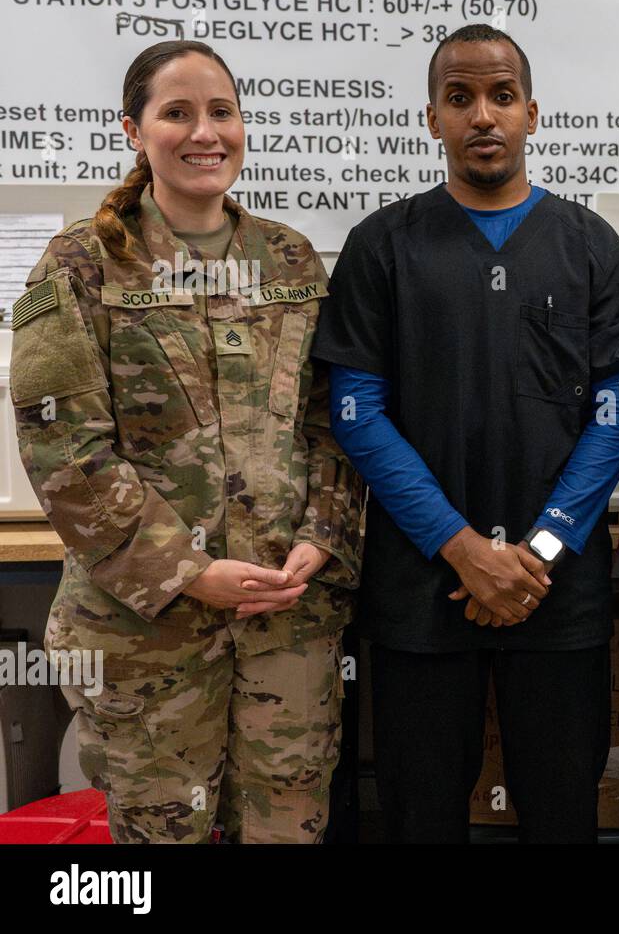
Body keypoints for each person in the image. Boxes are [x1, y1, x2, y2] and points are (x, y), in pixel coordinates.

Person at [9, 41, 364, 843]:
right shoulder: (82, 263)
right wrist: (191, 572)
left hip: (288, 627)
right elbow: (66, 451)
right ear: (134, 129)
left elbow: (330, 425)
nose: (205, 132)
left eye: (221, 112)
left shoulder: (290, 259)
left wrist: (322, 536)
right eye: (178, 113)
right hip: (149, 636)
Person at [312, 24, 619, 844]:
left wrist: (541, 548)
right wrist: (461, 546)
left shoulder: (590, 246)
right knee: (421, 812)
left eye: (501, 95)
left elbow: (617, 409)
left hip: (555, 587)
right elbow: (357, 413)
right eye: (459, 98)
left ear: (533, 112)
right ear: (431, 119)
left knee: (563, 808)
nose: (483, 115)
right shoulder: (381, 246)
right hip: (422, 585)